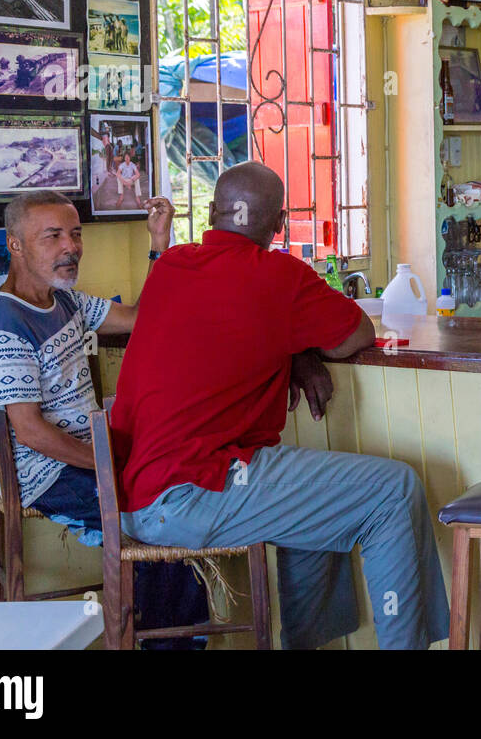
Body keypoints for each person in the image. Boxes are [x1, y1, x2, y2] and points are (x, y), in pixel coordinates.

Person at [112, 162, 451, 649]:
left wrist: (293, 350)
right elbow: (358, 334)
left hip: (138, 497)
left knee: (319, 502)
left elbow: (224, 327)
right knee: (392, 491)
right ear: (280, 224)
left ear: (211, 214)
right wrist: (300, 347)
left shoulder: (169, 267)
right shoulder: (282, 276)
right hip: (192, 492)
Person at [0, 191, 210, 647]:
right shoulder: (7, 323)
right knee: (157, 520)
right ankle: (165, 643)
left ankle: (165, 637)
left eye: (76, 234)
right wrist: (108, 466)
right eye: (53, 236)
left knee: (173, 493)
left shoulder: (66, 303)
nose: (71, 247)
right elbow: (31, 432)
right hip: (41, 471)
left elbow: (144, 319)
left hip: (85, 455)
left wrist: (159, 243)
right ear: (15, 244)